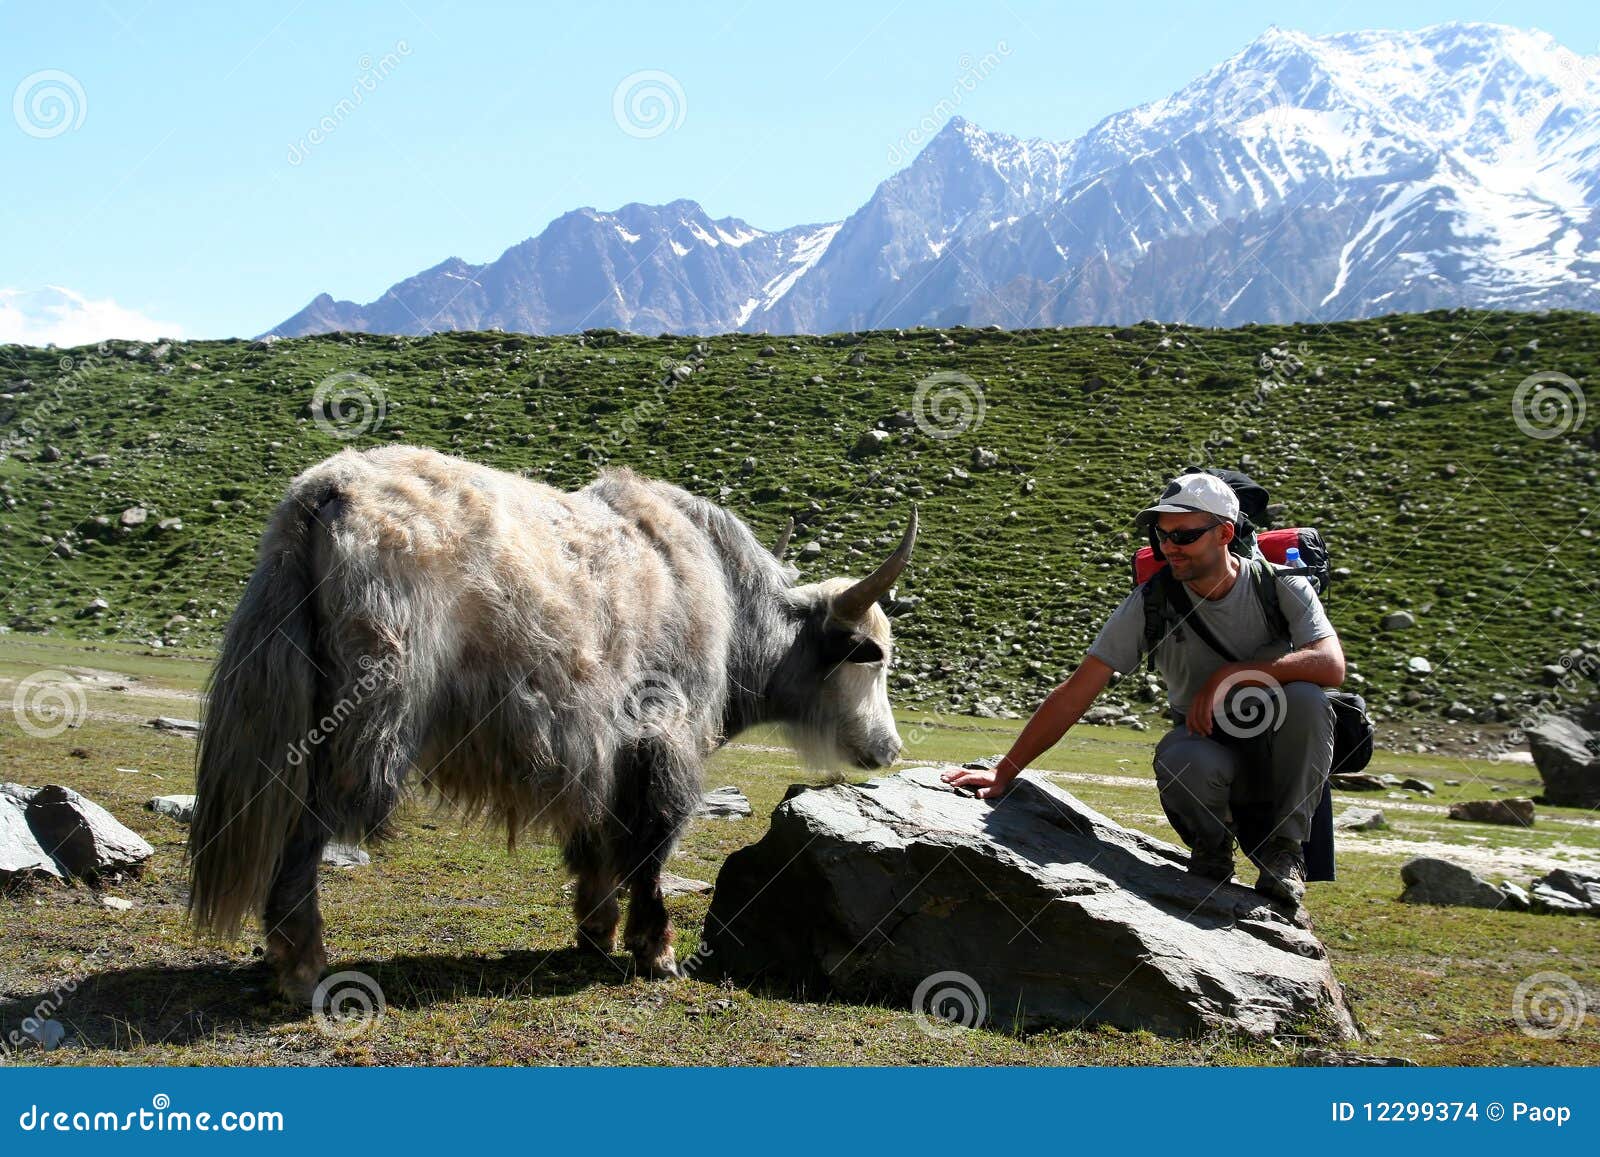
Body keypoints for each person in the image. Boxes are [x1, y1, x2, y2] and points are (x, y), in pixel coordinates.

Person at [942, 473, 1345, 906]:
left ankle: (1284, 855)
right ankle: (1211, 851)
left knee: (1307, 699)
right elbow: (1077, 692)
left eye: (1185, 535)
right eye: (1163, 534)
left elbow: (1330, 664)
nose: (1170, 546)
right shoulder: (1152, 602)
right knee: (1180, 755)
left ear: (1225, 533)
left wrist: (1233, 674)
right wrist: (1005, 771)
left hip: (1278, 751)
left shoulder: (1280, 585)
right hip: (1207, 745)